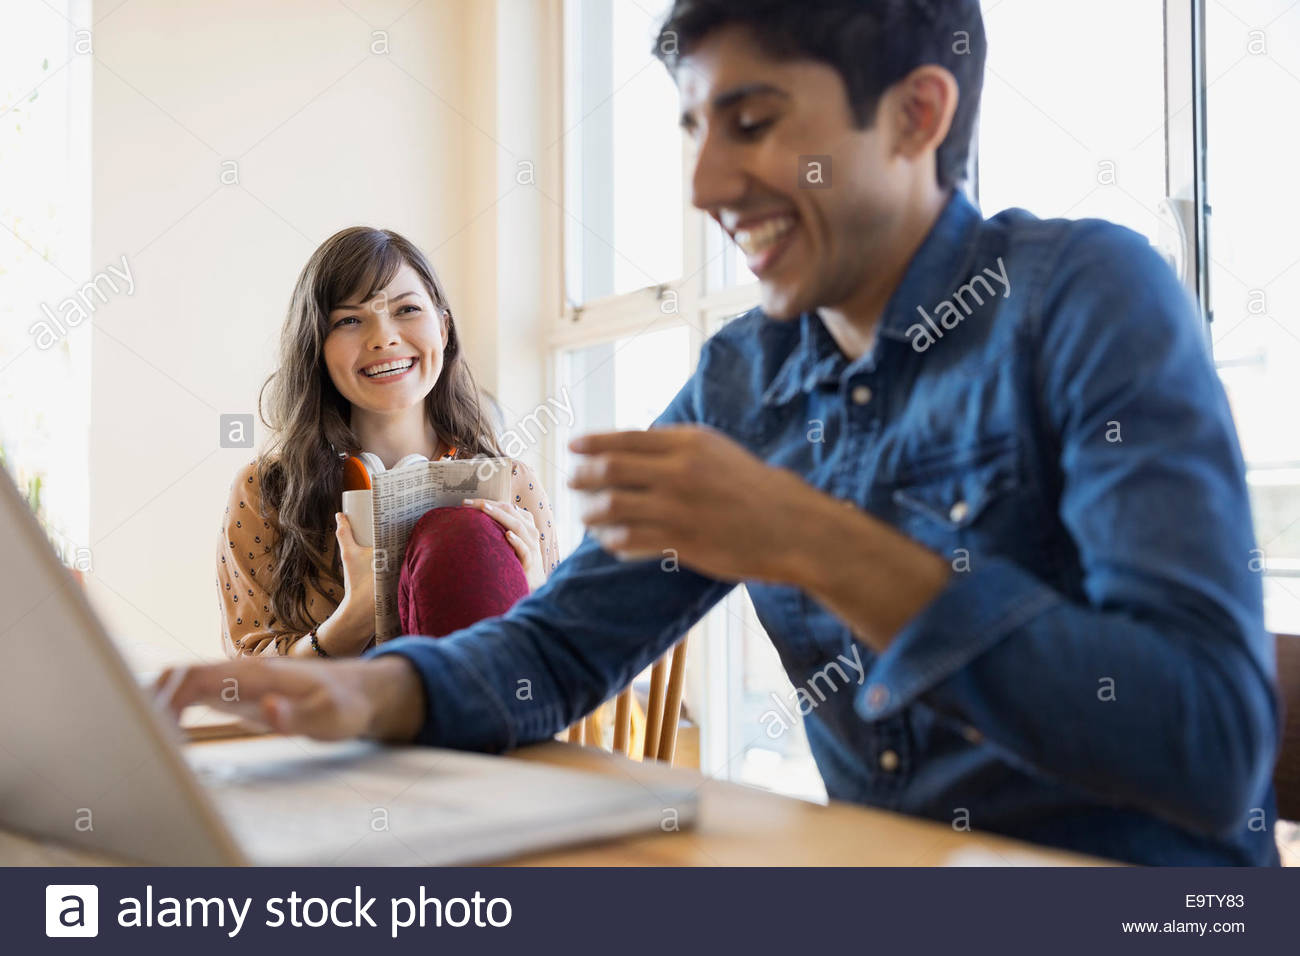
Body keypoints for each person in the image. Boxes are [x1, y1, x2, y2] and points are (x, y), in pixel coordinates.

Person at [162, 0, 1280, 865]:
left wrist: (813, 540)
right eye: (694, 128)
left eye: (752, 124)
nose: (703, 183)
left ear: (916, 115)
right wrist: (369, 691)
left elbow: (1216, 744)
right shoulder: (744, 377)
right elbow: (559, 646)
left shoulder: (1086, 300)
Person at [217, 226, 559, 659]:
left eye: (407, 309)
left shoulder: (512, 483)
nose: (384, 338)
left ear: (444, 327)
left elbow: (569, 669)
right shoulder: (266, 490)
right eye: (349, 320)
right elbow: (248, 674)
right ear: (317, 346)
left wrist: (533, 597)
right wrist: (354, 617)